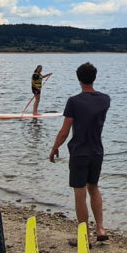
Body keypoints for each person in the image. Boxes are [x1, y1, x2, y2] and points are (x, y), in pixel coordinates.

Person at [49, 62, 111, 243]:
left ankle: (85, 236)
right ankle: (100, 229)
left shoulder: (74, 101)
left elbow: (64, 131)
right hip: (97, 151)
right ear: (94, 77)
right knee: (94, 187)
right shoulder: (105, 99)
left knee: (79, 192)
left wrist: (54, 148)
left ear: (78, 79)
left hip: (79, 152)